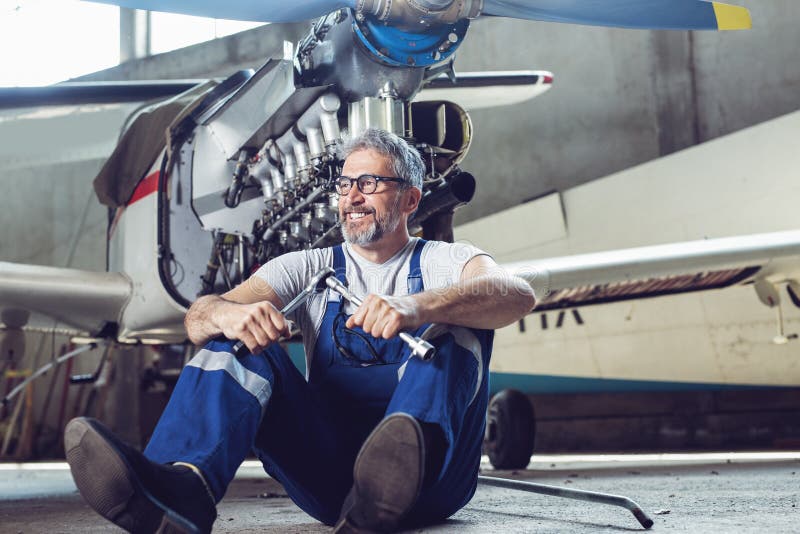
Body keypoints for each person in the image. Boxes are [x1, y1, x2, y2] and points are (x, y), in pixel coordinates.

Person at [64, 128, 536, 533]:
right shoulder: (306, 267)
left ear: (411, 198)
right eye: (345, 184)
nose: (351, 196)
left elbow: (517, 293)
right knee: (235, 334)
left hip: (435, 482)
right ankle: (181, 488)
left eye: (369, 183)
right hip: (333, 482)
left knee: (458, 325)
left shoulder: (443, 260)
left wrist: (416, 306)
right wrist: (227, 316)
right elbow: (197, 318)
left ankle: (400, 467)